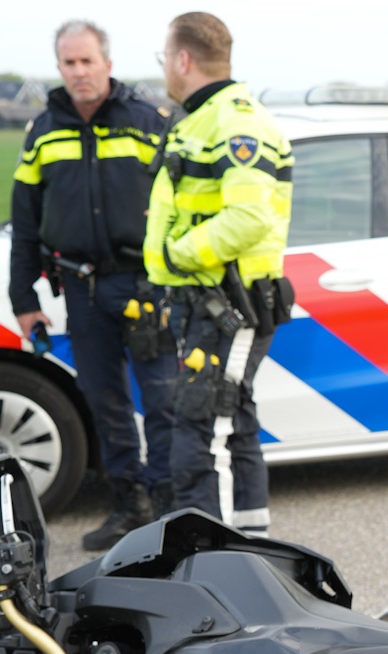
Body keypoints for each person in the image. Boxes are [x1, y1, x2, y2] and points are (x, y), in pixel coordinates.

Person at [10, 19, 179, 551]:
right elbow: (25, 220)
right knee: (104, 400)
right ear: (59, 67)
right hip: (81, 290)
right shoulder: (42, 131)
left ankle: (171, 511)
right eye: (69, 63)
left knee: (162, 399)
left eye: (88, 61)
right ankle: (128, 505)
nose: (79, 72)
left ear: (108, 63)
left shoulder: (149, 122)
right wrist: (23, 298)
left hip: (146, 285)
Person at [144, 11, 292, 536]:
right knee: (233, 421)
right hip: (205, 303)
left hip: (227, 305)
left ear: (183, 59)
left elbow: (250, 217)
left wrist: (180, 253)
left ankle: (216, 563)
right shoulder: (201, 118)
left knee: (202, 431)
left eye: (164, 57)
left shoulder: (236, 121)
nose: (164, 67)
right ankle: (252, 553)